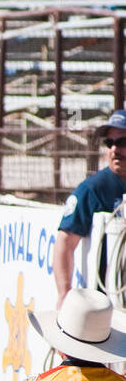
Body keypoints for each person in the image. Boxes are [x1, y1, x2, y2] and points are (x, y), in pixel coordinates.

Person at [52, 109, 126, 305]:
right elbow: (65, 242)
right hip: (108, 300)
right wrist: (64, 293)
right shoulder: (92, 189)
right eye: (109, 143)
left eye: (122, 142)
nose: (114, 150)